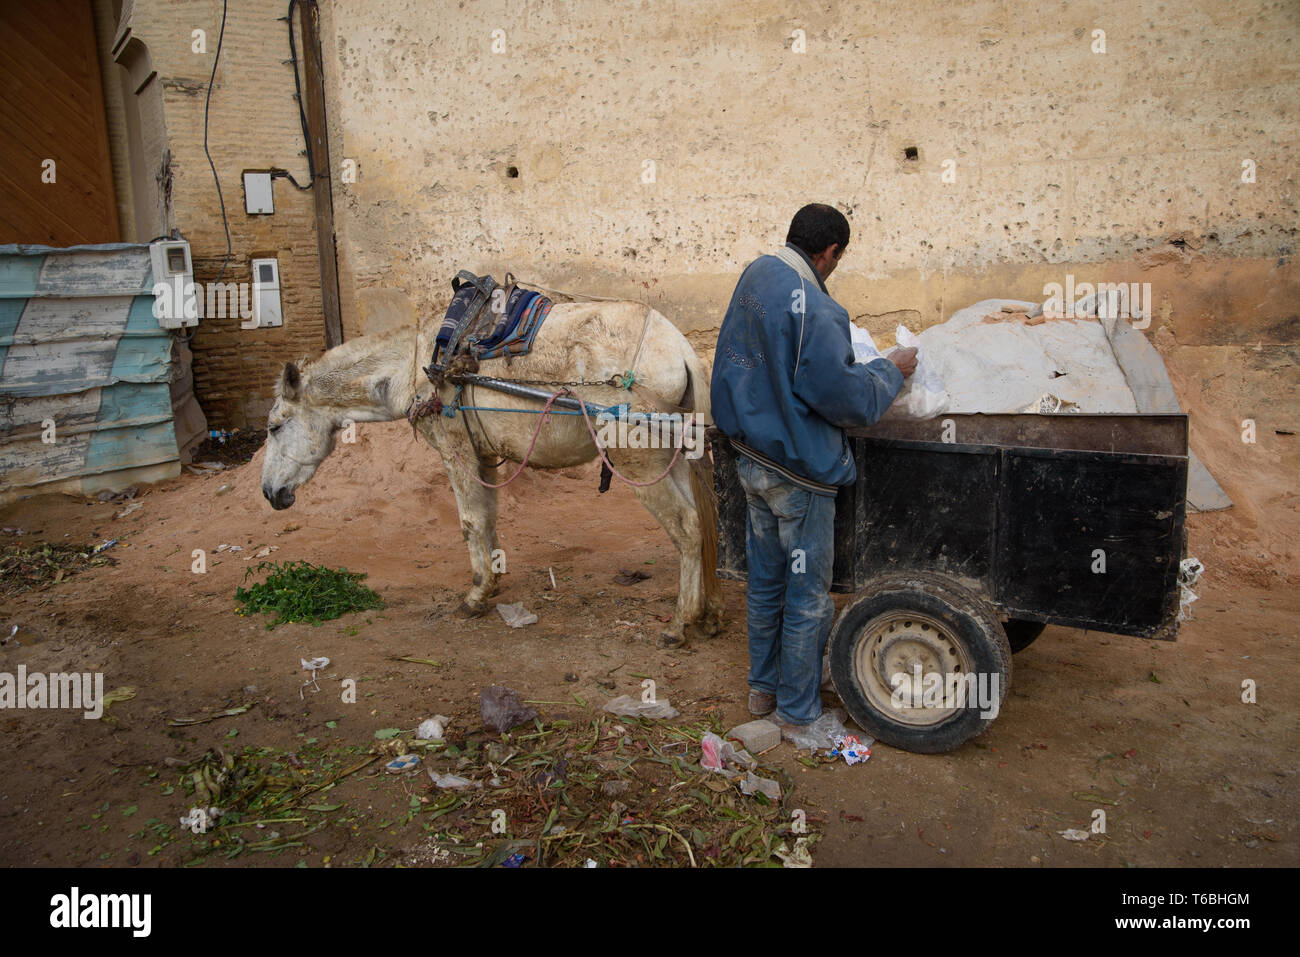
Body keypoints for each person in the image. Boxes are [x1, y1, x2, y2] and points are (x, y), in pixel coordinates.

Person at [710, 203, 917, 732]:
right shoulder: (819, 311)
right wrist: (888, 371)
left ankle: (763, 692)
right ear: (830, 253)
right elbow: (848, 401)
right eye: (837, 260)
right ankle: (798, 714)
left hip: (750, 462)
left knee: (766, 583)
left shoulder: (756, 274)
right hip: (799, 476)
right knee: (805, 598)